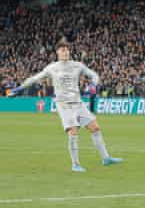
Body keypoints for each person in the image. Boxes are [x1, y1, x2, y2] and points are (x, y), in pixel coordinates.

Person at [8, 39, 123, 172]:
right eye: (62, 50)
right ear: (57, 52)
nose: (65, 52)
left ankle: (106, 158)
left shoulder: (77, 65)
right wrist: (19, 89)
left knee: (95, 128)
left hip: (78, 102)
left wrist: (93, 84)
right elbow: (34, 78)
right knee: (73, 132)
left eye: (67, 49)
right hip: (63, 104)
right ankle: (75, 164)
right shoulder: (52, 67)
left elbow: (94, 75)